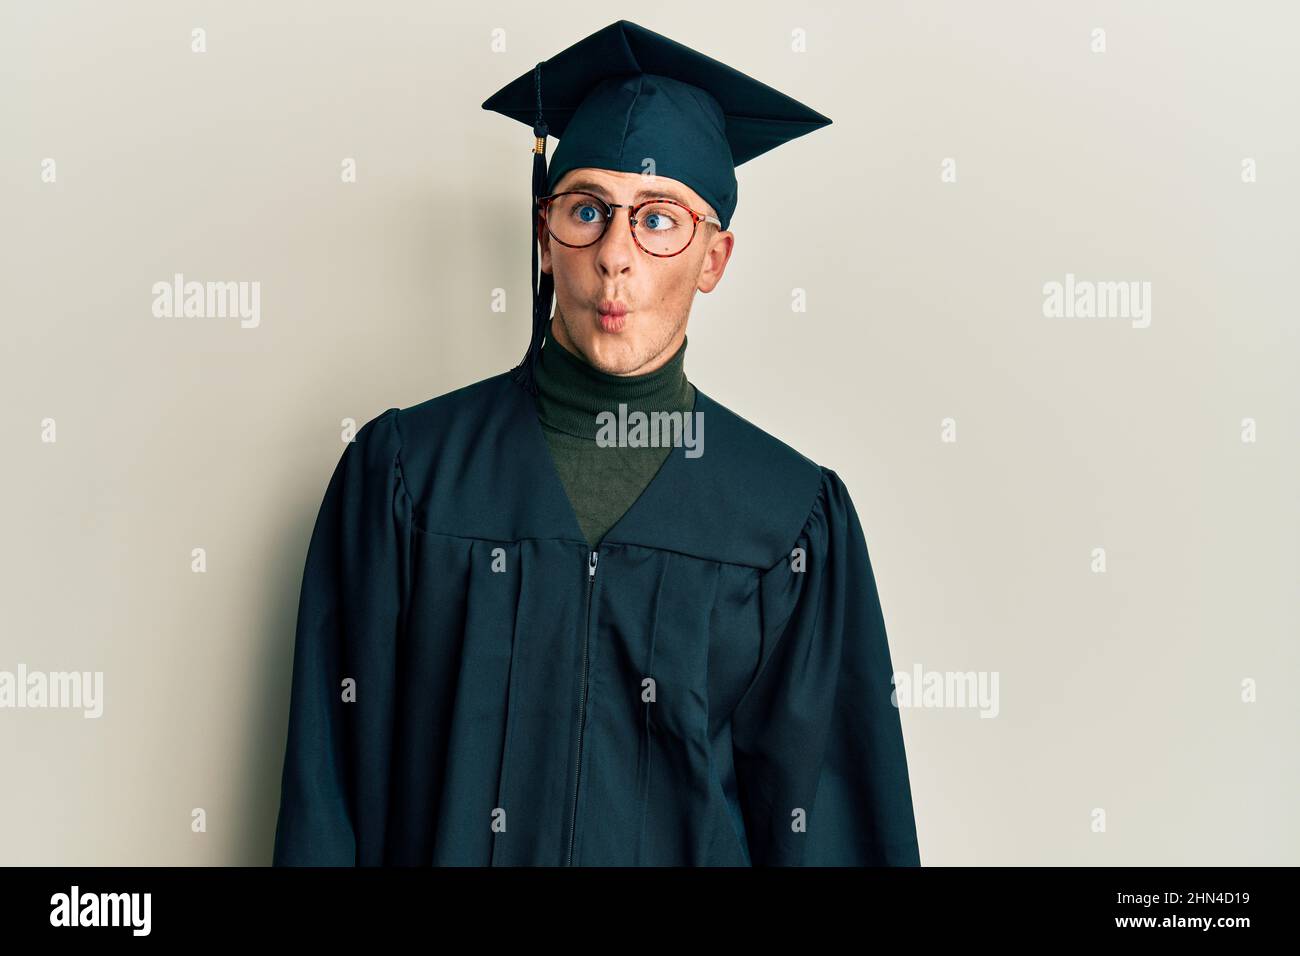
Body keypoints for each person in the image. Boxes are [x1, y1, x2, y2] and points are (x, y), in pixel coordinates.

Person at [272, 19, 921, 866]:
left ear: (715, 258)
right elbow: (330, 795)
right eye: (587, 210)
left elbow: (835, 829)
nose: (615, 255)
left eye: (659, 221)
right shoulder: (408, 477)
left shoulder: (788, 517)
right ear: (547, 235)